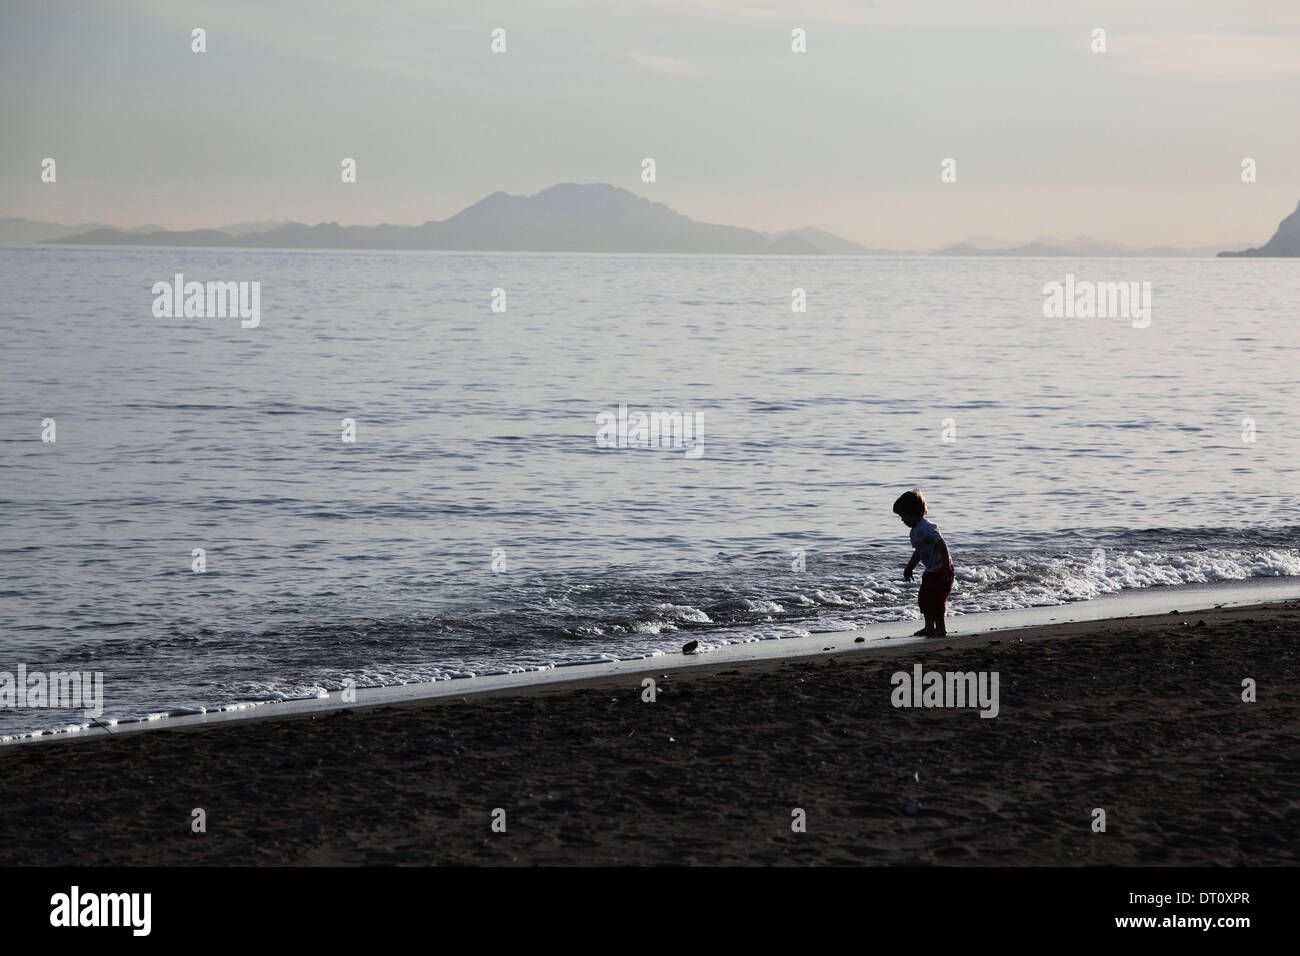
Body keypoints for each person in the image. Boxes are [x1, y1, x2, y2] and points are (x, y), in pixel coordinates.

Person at [892, 489, 954, 637]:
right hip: (931, 571)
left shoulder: (927, 528)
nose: (902, 520)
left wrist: (946, 566)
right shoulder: (914, 532)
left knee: (936, 599)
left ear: (914, 513)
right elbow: (919, 552)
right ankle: (929, 627)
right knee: (925, 598)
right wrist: (910, 567)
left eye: (904, 516)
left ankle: (940, 628)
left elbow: (941, 545)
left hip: (941, 569)